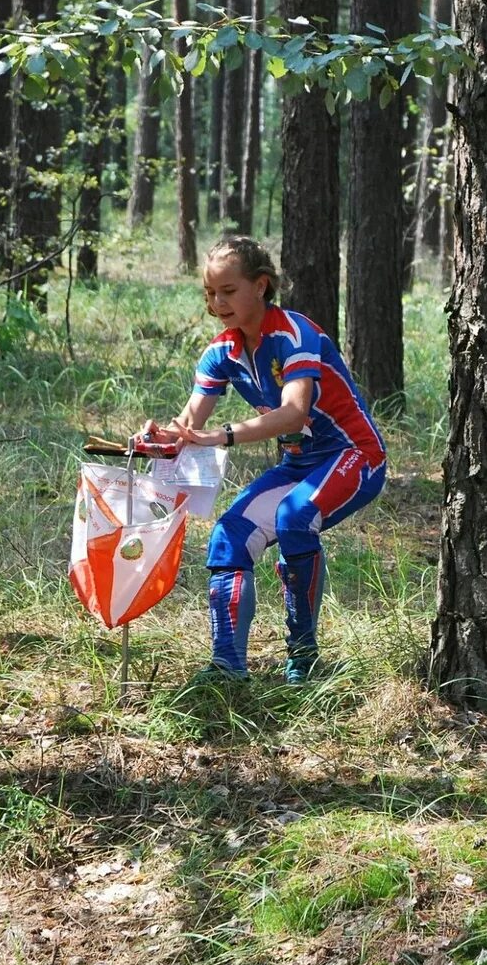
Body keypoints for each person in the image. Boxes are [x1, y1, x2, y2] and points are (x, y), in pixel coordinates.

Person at [137, 236, 387, 685]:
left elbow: (294, 411)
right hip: (299, 465)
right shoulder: (222, 351)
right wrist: (159, 438)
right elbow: (190, 423)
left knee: (295, 517)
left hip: (355, 455)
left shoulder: (294, 333)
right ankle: (227, 668)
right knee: (227, 538)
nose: (217, 302)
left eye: (228, 291)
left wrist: (224, 436)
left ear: (261, 286)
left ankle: (304, 658)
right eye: (210, 293)